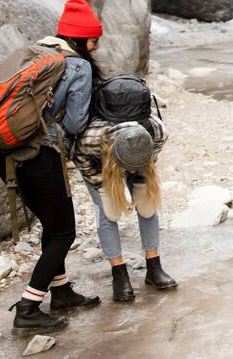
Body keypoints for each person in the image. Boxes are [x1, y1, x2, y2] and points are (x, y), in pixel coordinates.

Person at [0, 0, 104, 331]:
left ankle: (61, 292)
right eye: (93, 40)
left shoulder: (35, 53)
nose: (95, 46)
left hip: (6, 152)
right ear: (80, 38)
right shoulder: (78, 66)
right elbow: (74, 123)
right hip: (40, 157)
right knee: (64, 233)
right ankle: (28, 308)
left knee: (52, 227)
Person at [70, 108, 174, 303]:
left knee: (147, 206)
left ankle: (154, 268)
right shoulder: (92, 141)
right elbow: (80, 158)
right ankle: (119, 274)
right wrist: (102, 187)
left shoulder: (157, 131)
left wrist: (142, 176)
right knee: (108, 213)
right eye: (129, 167)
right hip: (102, 162)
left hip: (142, 156)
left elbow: (154, 153)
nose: (130, 171)